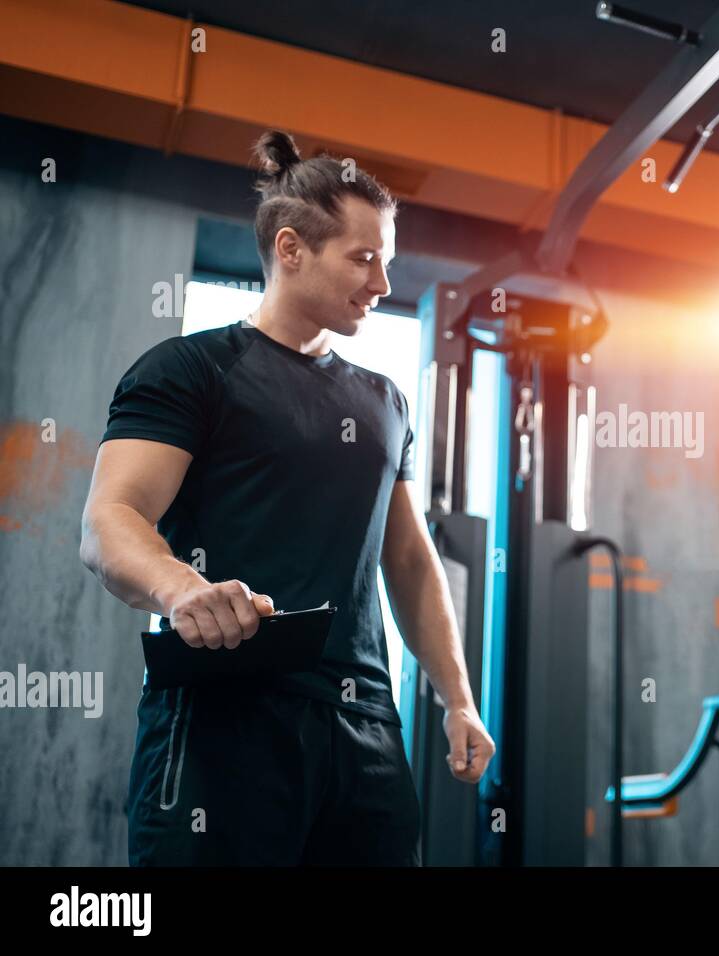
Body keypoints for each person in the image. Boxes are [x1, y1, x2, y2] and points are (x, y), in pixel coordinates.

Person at [80, 129, 493, 865]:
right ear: (293, 249)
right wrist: (182, 591)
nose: (382, 284)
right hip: (223, 718)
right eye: (363, 259)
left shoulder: (384, 400)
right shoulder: (191, 369)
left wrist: (456, 695)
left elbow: (408, 558)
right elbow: (111, 520)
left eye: (387, 262)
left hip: (363, 727)